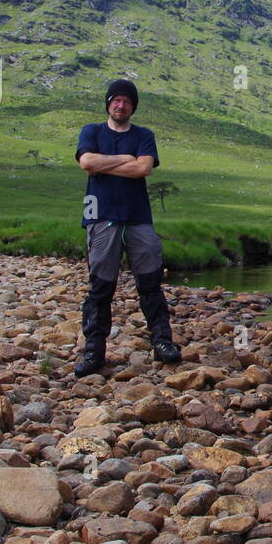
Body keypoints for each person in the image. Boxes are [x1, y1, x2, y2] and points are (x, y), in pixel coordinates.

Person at [73, 79, 180, 376]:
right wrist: (123, 159)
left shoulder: (144, 135)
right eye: (116, 100)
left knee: (150, 282)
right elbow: (87, 162)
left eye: (127, 101)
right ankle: (93, 351)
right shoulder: (91, 131)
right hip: (100, 214)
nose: (121, 105)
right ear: (108, 103)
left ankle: (162, 343)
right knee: (100, 287)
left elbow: (143, 168)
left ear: (133, 107)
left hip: (137, 217)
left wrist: (105, 164)